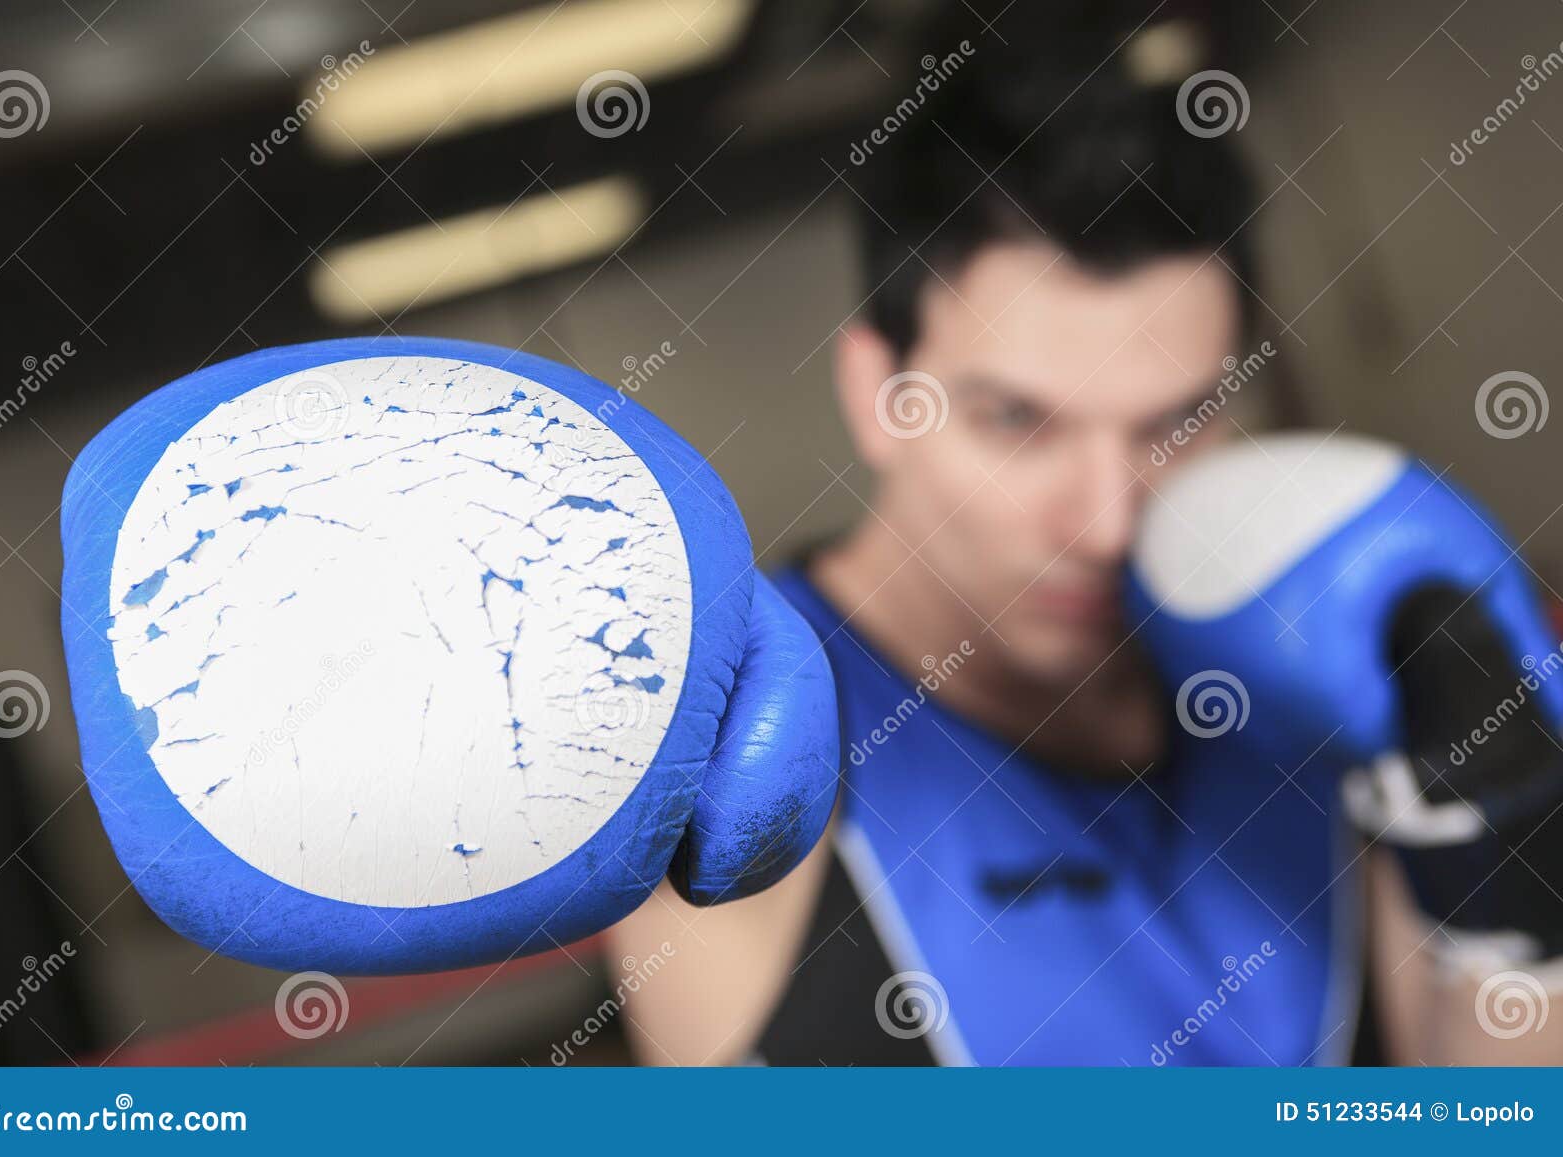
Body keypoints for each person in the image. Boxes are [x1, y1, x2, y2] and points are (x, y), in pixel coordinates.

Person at [607, 19, 1563, 1066]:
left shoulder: (1316, 664)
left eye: (1177, 420)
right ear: (878, 392)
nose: (1107, 519)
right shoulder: (741, 741)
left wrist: (1506, 848)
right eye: (1018, 421)